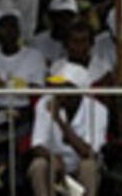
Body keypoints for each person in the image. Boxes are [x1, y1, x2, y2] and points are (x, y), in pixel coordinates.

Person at [29, 62, 108, 196]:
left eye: (62, 87)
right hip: (54, 161)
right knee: (38, 165)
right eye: (56, 87)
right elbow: (37, 144)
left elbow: (88, 152)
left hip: (80, 164)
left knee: (88, 166)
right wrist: (51, 158)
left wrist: (59, 121)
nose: (57, 92)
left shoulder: (98, 109)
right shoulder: (44, 103)